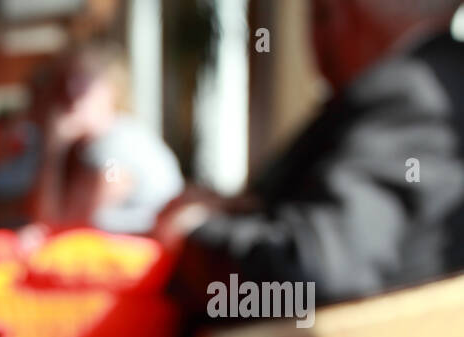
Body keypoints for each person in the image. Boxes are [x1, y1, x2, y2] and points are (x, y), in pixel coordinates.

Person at [159, 0, 464, 308]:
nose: (314, 43)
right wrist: (241, 209)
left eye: (320, 14)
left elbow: (315, 273)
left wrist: (193, 235)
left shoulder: (411, 95)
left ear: (349, 13)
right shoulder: (431, 83)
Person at [28, 40, 183, 235]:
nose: (71, 93)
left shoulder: (118, 144)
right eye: (62, 83)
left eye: (83, 82)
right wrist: (54, 151)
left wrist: (53, 151)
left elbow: (67, 221)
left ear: (112, 88)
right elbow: (47, 217)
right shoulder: (90, 146)